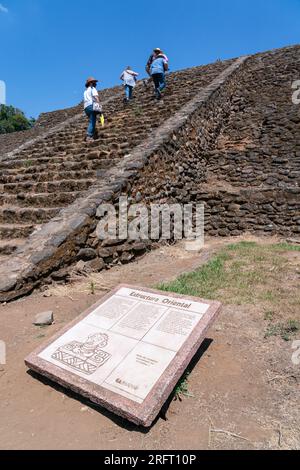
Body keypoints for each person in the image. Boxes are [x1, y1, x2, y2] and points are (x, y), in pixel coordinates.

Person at [84, 77, 101, 141]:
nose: (95, 83)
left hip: (86, 107)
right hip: (91, 105)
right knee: (92, 122)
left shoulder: (85, 91)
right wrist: (99, 104)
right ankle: (89, 136)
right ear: (91, 83)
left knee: (91, 121)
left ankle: (92, 133)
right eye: (94, 82)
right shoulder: (93, 88)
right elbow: (96, 97)